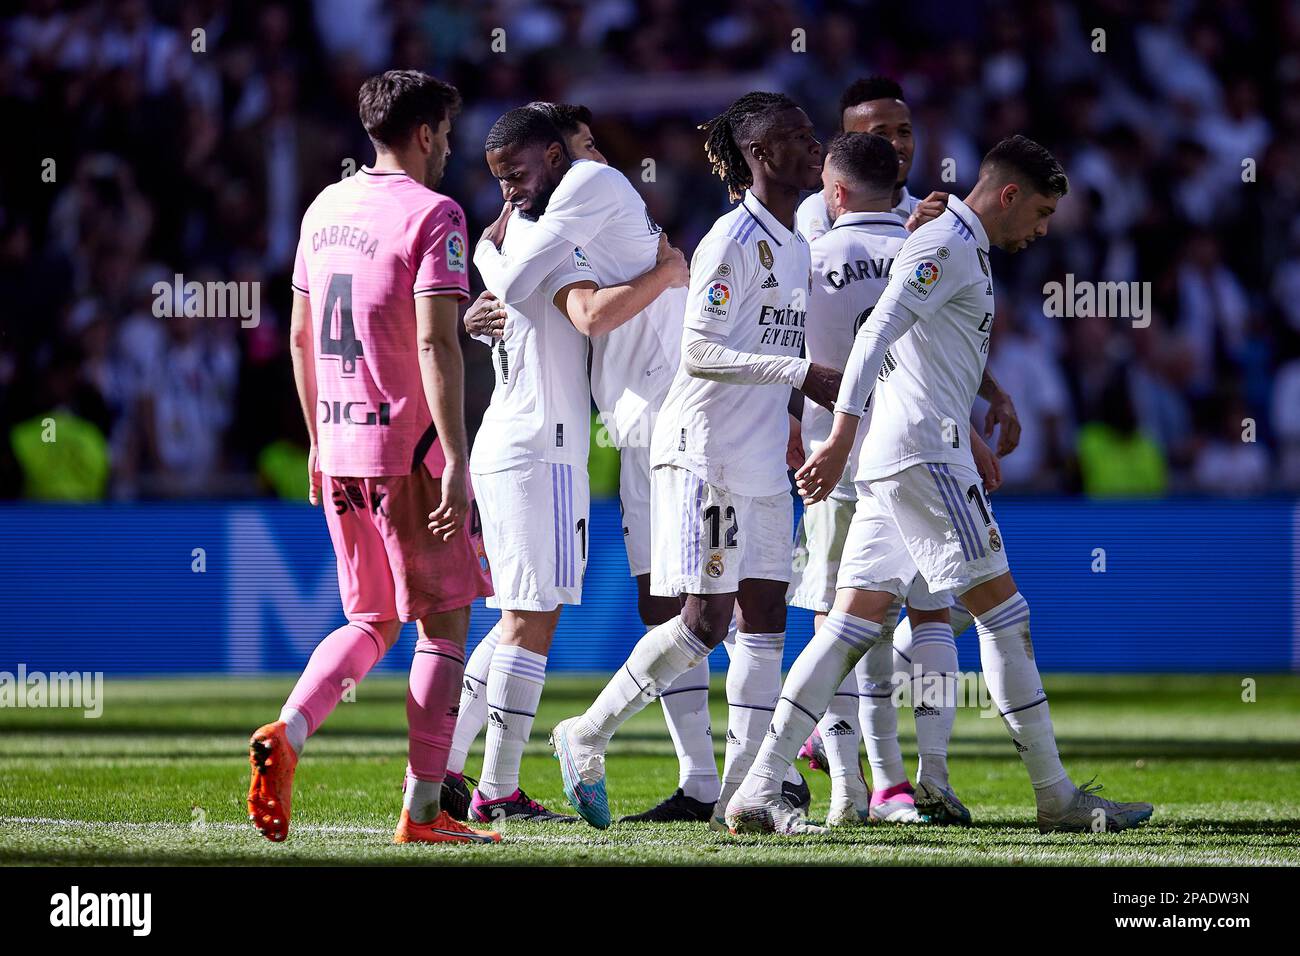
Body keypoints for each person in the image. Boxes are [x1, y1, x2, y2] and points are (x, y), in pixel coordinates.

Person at [726, 135, 1153, 835]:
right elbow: (874, 336)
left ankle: (756, 788)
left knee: (848, 628)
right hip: (925, 455)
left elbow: (915, 355)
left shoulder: (955, 244)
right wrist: (837, 439)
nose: (1042, 230)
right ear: (1008, 195)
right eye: (1040, 213)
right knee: (1004, 614)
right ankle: (1055, 796)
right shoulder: (944, 245)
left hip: (907, 455)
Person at [549, 92, 840, 830]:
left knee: (767, 611)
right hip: (703, 453)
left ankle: (749, 791)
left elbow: (766, 346)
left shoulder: (798, 243)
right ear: (759, 154)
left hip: (760, 456)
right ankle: (586, 732)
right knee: (706, 620)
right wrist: (799, 376)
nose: (816, 147)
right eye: (797, 137)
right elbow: (700, 352)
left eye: (813, 135)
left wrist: (789, 424)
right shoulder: (729, 242)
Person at [246, 70, 498, 846]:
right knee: (443, 628)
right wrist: (455, 456)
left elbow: (297, 335)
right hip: (411, 450)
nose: (450, 149)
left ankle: (288, 730)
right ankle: (423, 813)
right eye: (447, 134)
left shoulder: (325, 206)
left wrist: (321, 439)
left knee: (369, 618)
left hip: (341, 445)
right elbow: (432, 339)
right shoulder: (436, 214)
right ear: (424, 134)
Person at [446, 106, 688, 823]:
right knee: (533, 621)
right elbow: (581, 313)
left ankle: (439, 767)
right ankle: (497, 790)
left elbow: (503, 266)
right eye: (506, 180)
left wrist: (481, 276)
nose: (515, 190)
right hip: (540, 444)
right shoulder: (549, 240)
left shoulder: (510, 235)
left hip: (515, 439)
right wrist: (671, 270)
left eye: (518, 176)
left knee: (516, 618)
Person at [789, 130, 1005, 826]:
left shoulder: (808, 258)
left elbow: (782, 362)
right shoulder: (928, 248)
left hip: (836, 463)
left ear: (836, 191)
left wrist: (793, 439)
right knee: (931, 612)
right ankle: (924, 778)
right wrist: (972, 432)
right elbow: (942, 362)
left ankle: (856, 789)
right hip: (917, 456)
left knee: (842, 625)